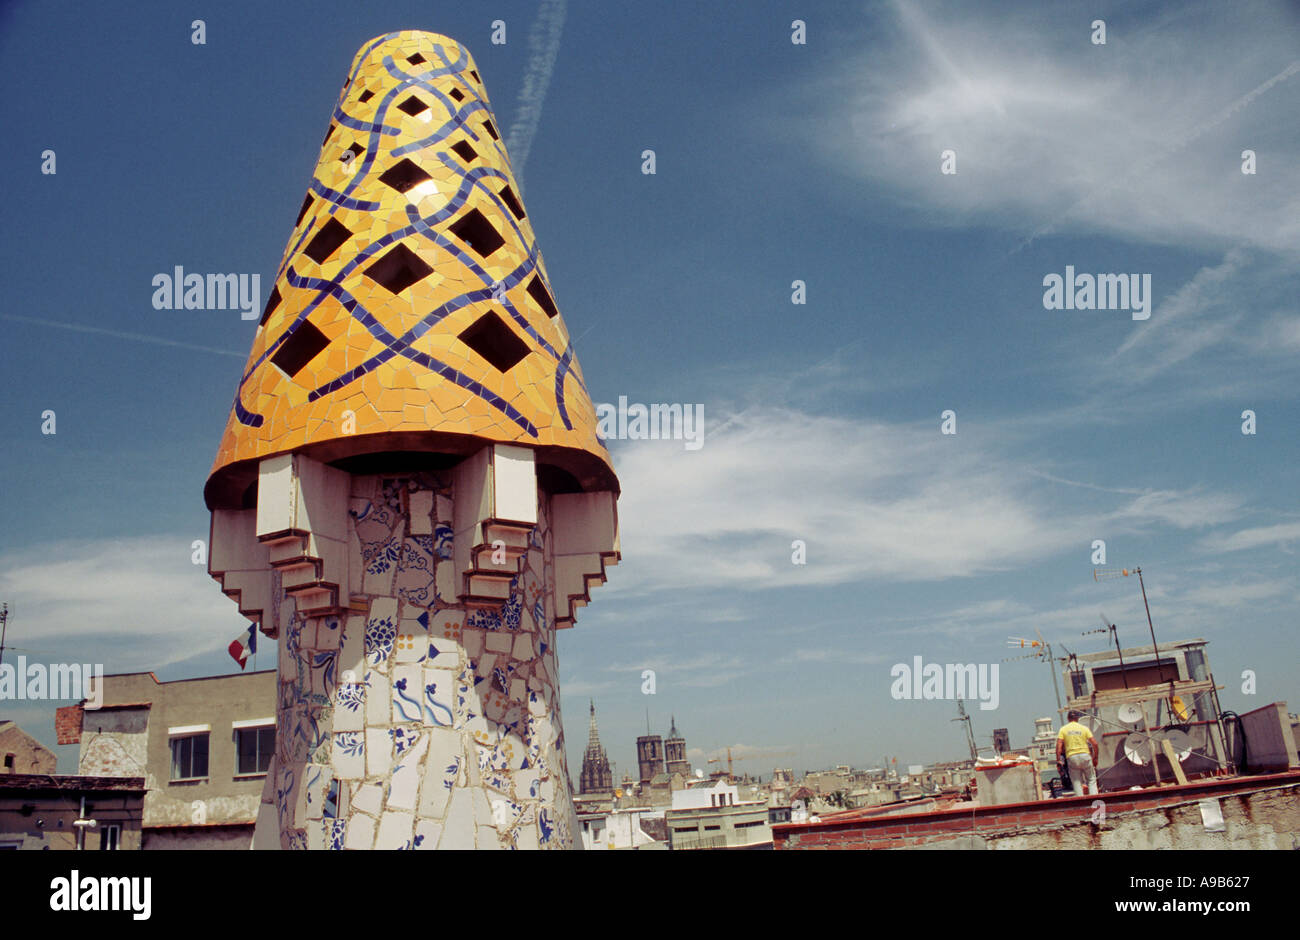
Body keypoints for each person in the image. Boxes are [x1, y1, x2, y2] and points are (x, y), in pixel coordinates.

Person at [1056, 710, 1099, 797]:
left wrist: (1058, 760)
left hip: (1072, 757)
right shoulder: (1084, 728)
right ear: (1078, 718)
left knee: (1076, 782)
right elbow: (1095, 743)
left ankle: (1081, 803)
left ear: (1068, 718)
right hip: (1085, 755)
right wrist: (1095, 757)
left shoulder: (1063, 729)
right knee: (1091, 779)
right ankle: (1094, 800)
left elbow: (1059, 745)